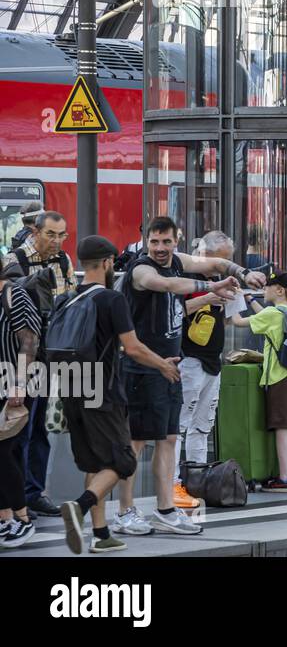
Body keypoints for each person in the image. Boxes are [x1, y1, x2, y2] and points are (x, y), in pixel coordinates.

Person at [113, 216, 253, 536]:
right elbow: (165, 285)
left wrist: (243, 273)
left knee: (169, 438)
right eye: (154, 242)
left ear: (176, 241)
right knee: (134, 443)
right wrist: (210, 285)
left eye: (166, 242)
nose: (160, 248)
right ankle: (124, 511)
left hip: (170, 367)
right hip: (142, 369)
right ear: (146, 242)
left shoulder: (178, 261)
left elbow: (212, 265)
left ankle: (165, 509)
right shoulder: (141, 268)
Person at [58, 236, 185, 555]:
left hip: (72, 389)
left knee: (94, 461)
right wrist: (162, 366)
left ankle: (101, 534)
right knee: (123, 460)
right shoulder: (111, 299)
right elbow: (133, 347)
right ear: (106, 263)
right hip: (103, 390)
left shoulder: (68, 297)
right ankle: (80, 505)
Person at [1, 209, 74, 517]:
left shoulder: (64, 261)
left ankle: (34, 492)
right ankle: (17, 501)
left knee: (39, 427)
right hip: (19, 357)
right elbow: (15, 294)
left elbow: (68, 298)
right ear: (35, 233)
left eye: (61, 235)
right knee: (16, 431)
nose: (56, 242)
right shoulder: (16, 257)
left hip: (49, 353)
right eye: (50, 235)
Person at [228, 271, 287, 492]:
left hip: (277, 377)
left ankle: (282, 478)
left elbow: (238, 321)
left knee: (281, 427)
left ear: (279, 290)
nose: (264, 291)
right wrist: (250, 299)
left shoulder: (272, 313)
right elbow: (265, 315)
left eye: (268, 287)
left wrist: (235, 298)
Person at [174, 231, 235, 511]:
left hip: (213, 358)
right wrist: (208, 297)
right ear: (205, 256)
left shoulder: (217, 280)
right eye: (221, 262)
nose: (224, 267)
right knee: (180, 425)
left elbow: (231, 318)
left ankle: (196, 479)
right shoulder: (187, 279)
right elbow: (176, 311)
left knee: (203, 425)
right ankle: (174, 482)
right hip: (189, 358)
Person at [0, 277, 40, 547]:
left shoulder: (14, 294)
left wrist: (19, 383)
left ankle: (22, 519)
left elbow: (30, 342)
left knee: (3, 453)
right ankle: (5, 518)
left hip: (12, 387)